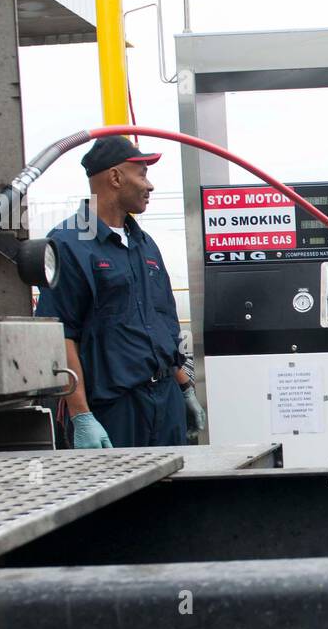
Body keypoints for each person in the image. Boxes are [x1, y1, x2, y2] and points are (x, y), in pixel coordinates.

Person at [35, 136, 205, 448]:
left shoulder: (144, 243)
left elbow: (162, 325)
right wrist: (81, 415)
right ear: (115, 177)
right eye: (141, 174)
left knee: (177, 497)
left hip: (165, 402)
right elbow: (60, 335)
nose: (149, 185)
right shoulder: (68, 243)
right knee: (124, 498)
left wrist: (184, 388)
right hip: (113, 410)